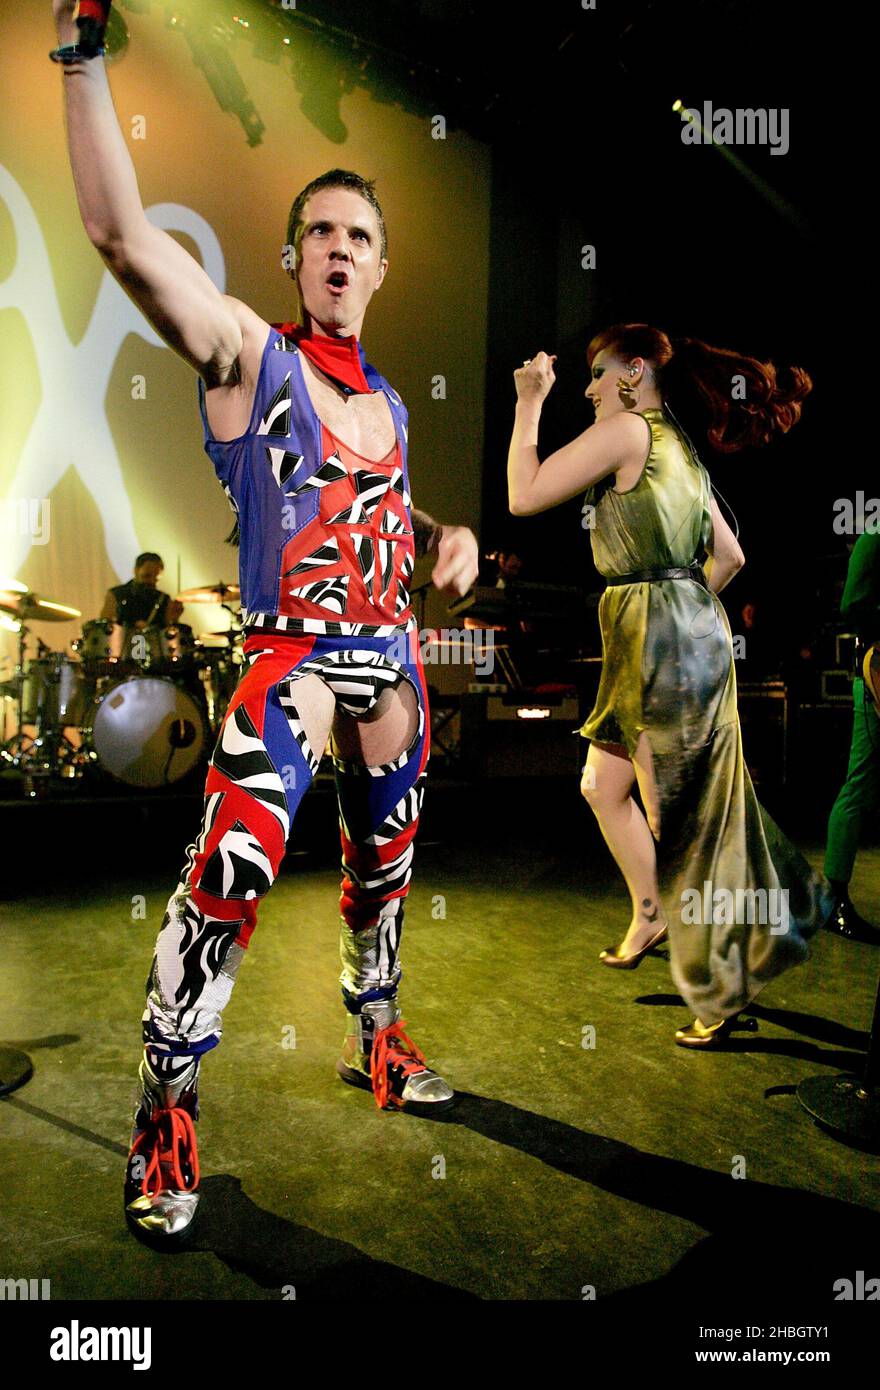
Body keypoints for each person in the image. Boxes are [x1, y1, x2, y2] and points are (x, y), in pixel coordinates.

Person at [52, 0, 479, 1245]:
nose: (340, 252)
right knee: (229, 875)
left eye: (360, 236)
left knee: (382, 881)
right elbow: (120, 235)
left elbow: (378, 516)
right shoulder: (248, 353)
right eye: (320, 236)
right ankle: (165, 1114)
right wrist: (85, 61)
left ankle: (378, 1038)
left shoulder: (392, 404)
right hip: (287, 661)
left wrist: (441, 533)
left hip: (391, 664)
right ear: (294, 260)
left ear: (383, 265)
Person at [507, 323, 833, 1048]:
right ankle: (651, 911)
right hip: (669, 626)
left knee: (675, 819)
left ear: (633, 373)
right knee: (602, 786)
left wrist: (530, 402)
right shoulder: (680, 447)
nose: (589, 388)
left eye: (598, 373)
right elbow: (731, 556)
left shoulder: (629, 429)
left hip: (658, 635)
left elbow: (524, 495)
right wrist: (688, 606)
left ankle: (720, 992)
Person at [822, 530, 880, 942]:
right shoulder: (875, 536)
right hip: (877, 671)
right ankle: (834, 899)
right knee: (860, 784)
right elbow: (852, 606)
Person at [99, 552, 184, 629]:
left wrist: (174, 619)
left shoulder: (164, 599)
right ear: (135, 571)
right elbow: (104, 627)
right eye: (147, 576)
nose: (151, 581)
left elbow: (169, 633)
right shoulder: (116, 595)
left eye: (156, 578)